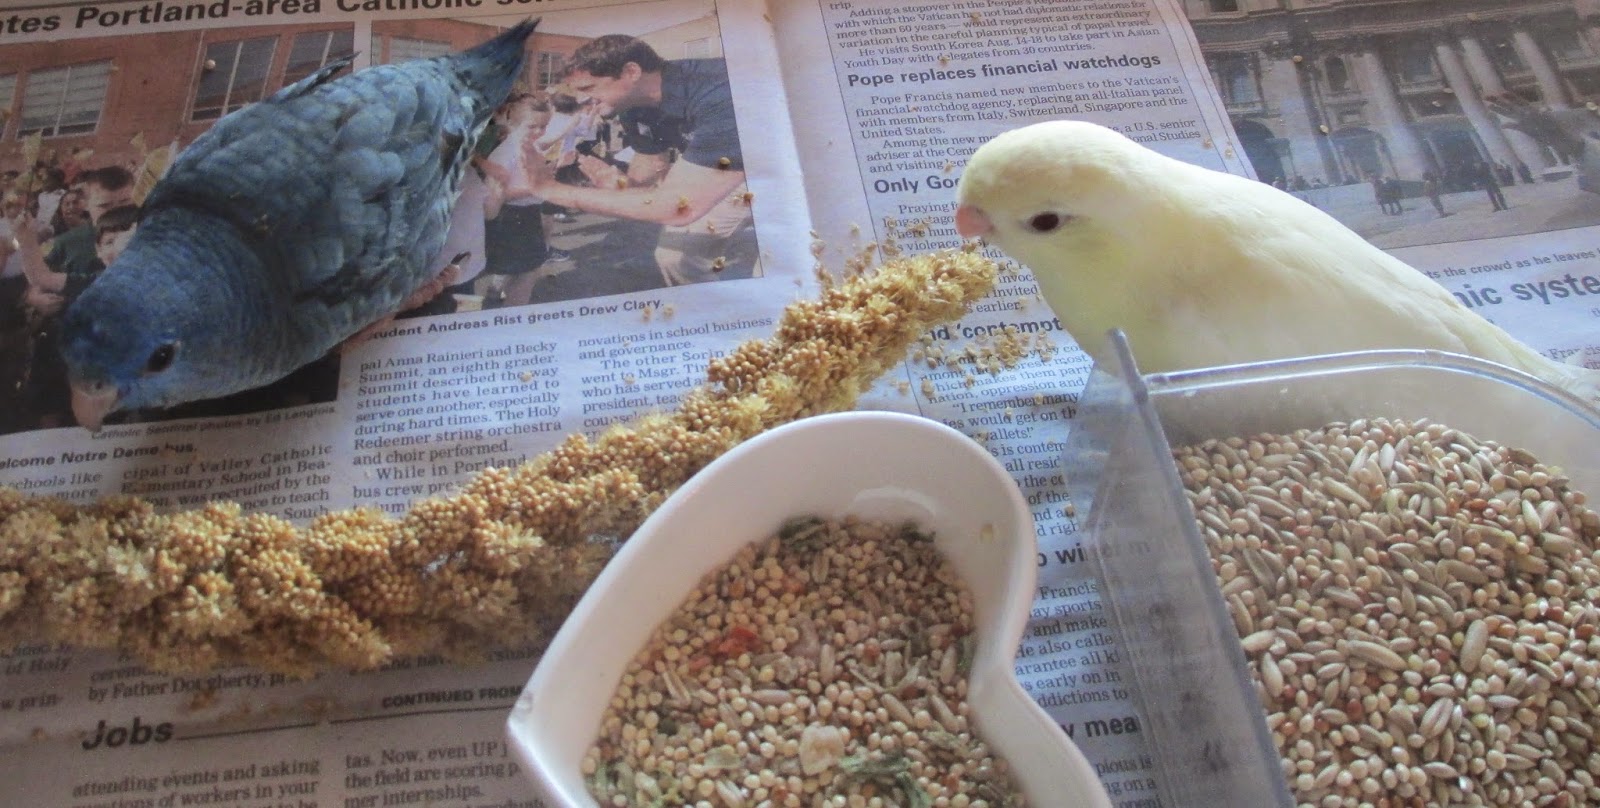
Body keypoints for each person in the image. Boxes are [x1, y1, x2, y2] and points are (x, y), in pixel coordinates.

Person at [520, 34, 755, 286]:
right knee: (676, 258)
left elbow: (677, 208)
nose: (582, 100)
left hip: (773, 170)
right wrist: (625, 185)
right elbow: (650, 159)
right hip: (732, 169)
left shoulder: (719, 91)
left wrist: (550, 189)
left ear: (631, 72)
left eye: (589, 88)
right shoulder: (632, 104)